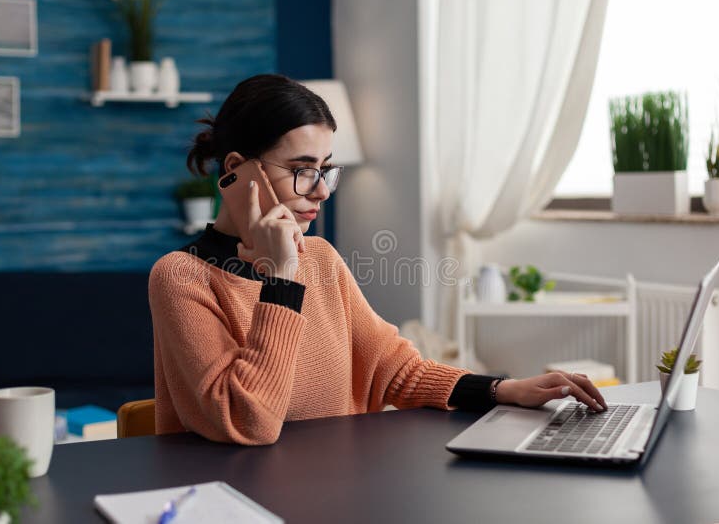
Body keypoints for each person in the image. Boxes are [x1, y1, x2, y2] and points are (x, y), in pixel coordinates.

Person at [148, 74, 607, 445]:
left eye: (325, 169)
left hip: (338, 487)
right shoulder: (181, 277)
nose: (322, 190)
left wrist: (502, 389)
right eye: (303, 170)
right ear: (237, 169)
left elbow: (395, 369)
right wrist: (281, 279)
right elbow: (248, 421)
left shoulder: (320, 259)